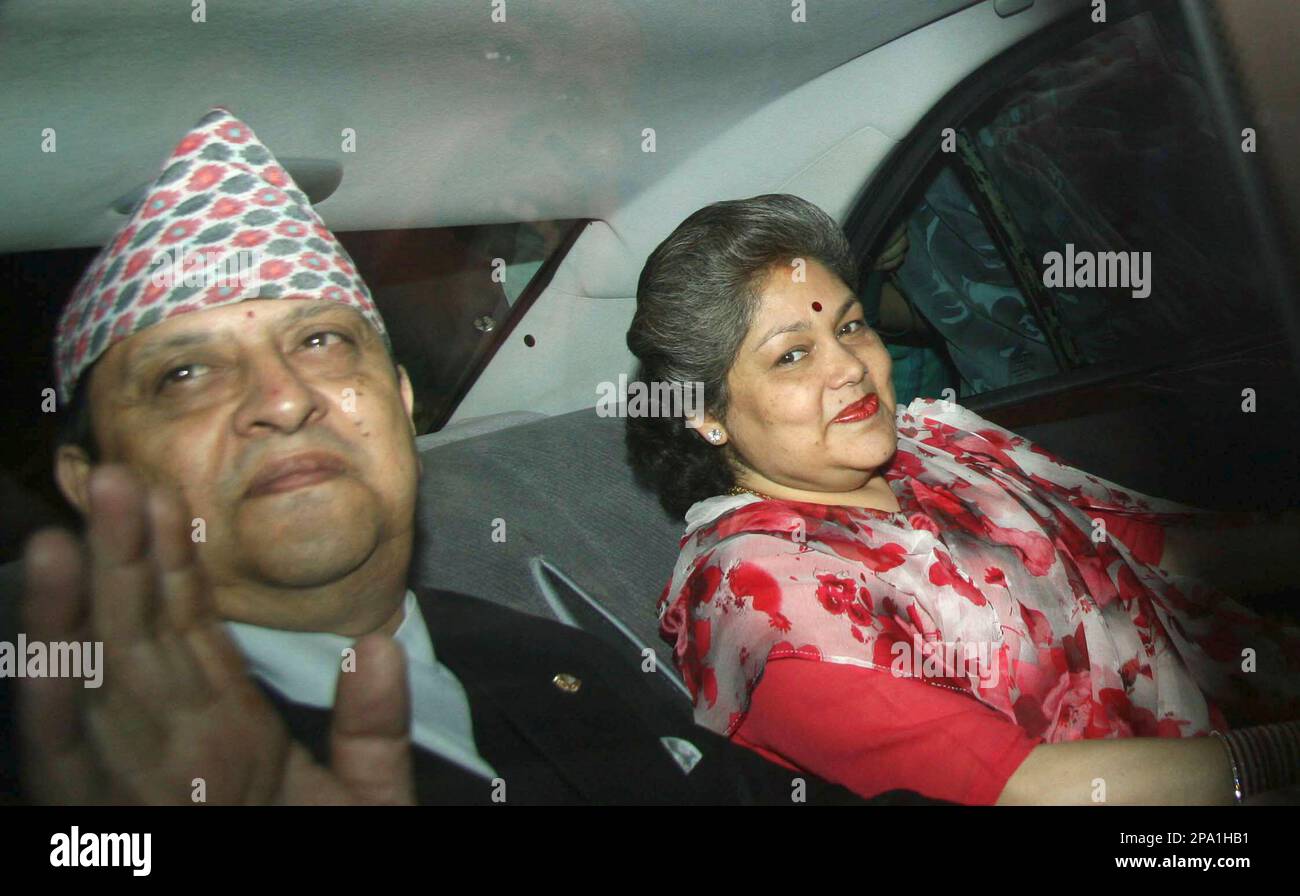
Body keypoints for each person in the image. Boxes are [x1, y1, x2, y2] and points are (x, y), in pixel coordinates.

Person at [0, 110, 944, 807]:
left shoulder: (540, 649)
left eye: (324, 342)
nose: (283, 398)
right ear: (91, 480)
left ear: (402, 403)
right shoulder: (80, 765)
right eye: (187, 373)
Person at [624, 193, 1300, 806]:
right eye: (792, 357)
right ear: (706, 413)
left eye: (851, 327)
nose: (850, 366)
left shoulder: (933, 443)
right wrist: (1272, 757)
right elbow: (1023, 789)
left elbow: (1159, 551)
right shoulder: (759, 598)